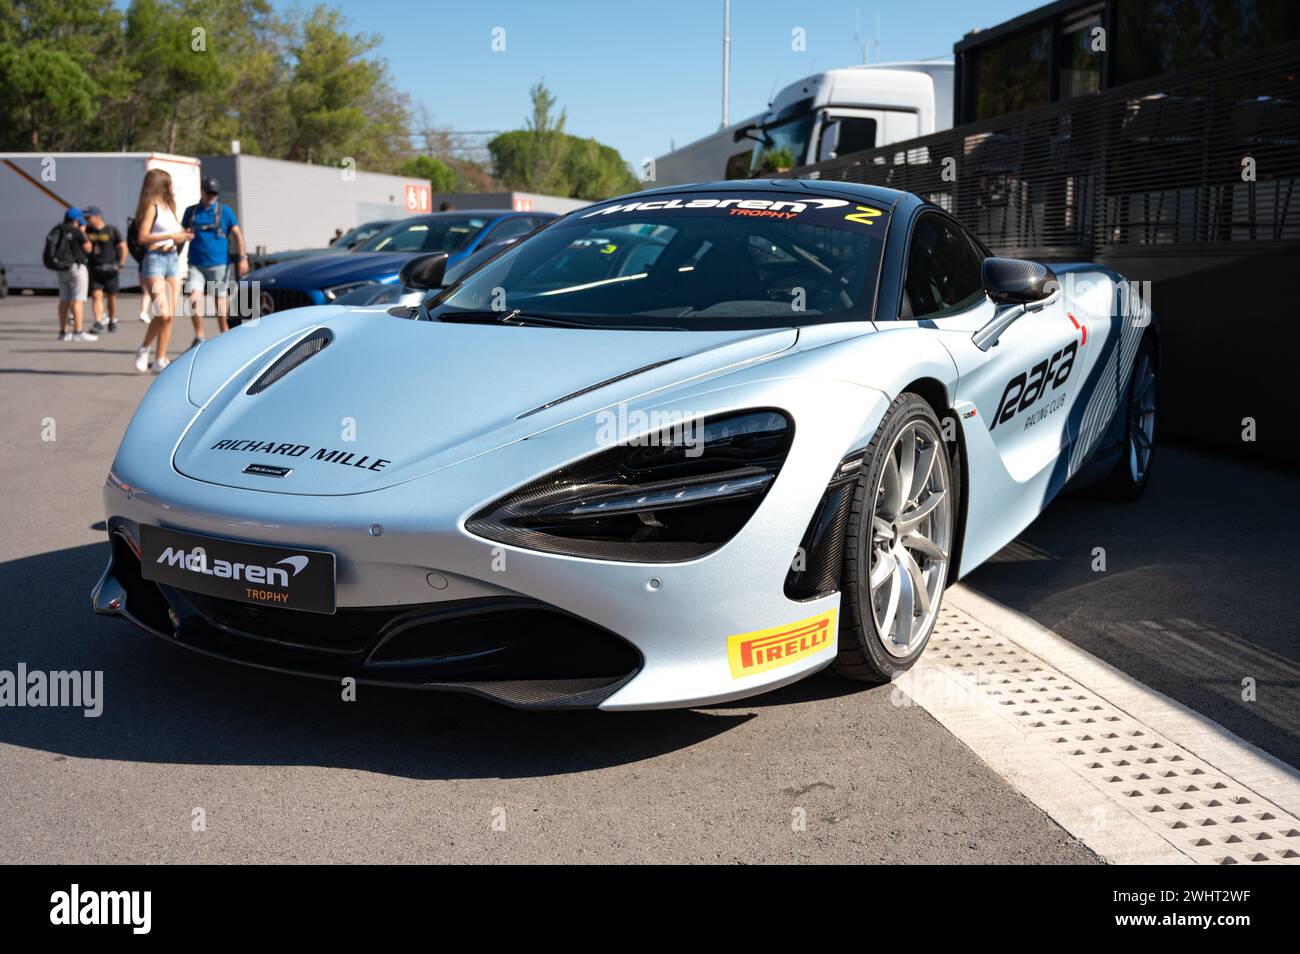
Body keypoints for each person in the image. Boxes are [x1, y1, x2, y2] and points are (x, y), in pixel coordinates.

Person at [132, 169, 192, 373]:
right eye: (168, 183)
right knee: (163, 313)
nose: (171, 187)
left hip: (172, 259)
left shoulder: (169, 206)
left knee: (169, 315)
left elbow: (171, 234)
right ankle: (144, 348)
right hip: (155, 260)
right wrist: (171, 235)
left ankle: (160, 358)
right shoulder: (151, 207)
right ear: (160, 184)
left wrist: (182, 236)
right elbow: (143, 237)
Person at [181, 176, 248, 346]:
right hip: (196, 264)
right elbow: (182, 234)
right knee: (193, 298)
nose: (212, 196)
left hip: (219, 265)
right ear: (202, 191)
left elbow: (237, 234)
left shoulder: (224, 211)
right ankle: (199, 336)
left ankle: (225, 338)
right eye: (209, 193)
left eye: (215, 194)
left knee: (220, 305)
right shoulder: (191, 212)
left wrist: (242, 258)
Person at [49, 208, 96, 342]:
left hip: (60, 267)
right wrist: (83, 232)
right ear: (77, 220)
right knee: (78, 299)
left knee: (64, 299)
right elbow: (88, 248)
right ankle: (78, 331)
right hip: (76, 267)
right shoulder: (76, 231)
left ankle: (63, 332)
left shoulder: (57, 229)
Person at [84, 206, 127, 334]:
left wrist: (121, 264)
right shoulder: (86, 230)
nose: (87, 220)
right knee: (96, 295)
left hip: (111, 268)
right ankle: (98, 322)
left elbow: (123, 247)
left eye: (89, 217)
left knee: (111, 296)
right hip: (95, 268)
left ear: (98, 216)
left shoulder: (111, 230)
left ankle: (112, 319)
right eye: (85, 217)